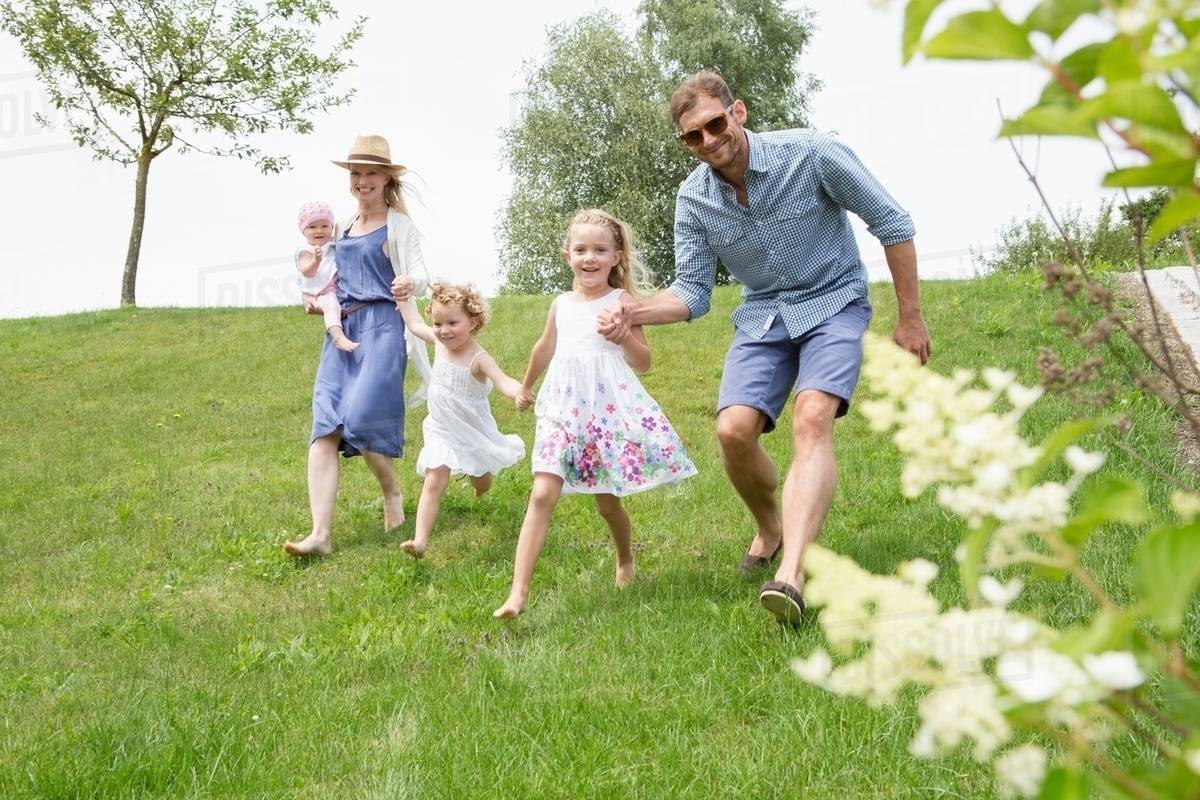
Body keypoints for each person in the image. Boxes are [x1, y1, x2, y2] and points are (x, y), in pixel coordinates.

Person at [598, 71, 932, 625]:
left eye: (714, 124)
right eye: (693, 137)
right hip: (763, 315)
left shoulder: (813, 153)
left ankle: (792, 576)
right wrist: (632, 309)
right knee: (732, 432)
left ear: (739, 113)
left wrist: (911, 318)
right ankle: (771, 527)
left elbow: (892, 223)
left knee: (811, 418)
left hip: (834, 299)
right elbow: (692, 293)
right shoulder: (694, 199)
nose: (708, 141)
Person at [494, 209, 697, 618]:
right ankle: (517, 594)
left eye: (600, 250)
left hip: (603, 414)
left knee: (607, 504)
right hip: (561, 409)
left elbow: (643, 362)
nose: (590, 258)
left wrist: (623, 335)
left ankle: (624, 558)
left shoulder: (621, 302)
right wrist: (527, 385)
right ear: (567, 254)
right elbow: (544, 348)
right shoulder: (560, 304)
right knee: (542, 492)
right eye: (581, 249)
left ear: (616, 256)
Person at [283, 134, 432, 557]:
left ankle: (392, 493)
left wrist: (409, 282)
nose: (362, 180)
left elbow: (420, 273)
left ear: (386, 177)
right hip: (343, 329)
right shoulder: (343, 227)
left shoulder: (400, 225)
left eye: (370, 172)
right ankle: (320, 535)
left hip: (384, 327)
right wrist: (313, 299)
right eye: (355, 173)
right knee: (325, 427)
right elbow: (325, 277)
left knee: (363, 420)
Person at [395, 282, 525, 558]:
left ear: (473, 322)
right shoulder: (440, 343)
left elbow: (502, 380)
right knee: (435, 476)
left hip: (473, 430)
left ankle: (479, 488)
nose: (443, 330)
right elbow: (416, 325)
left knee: (482, 479)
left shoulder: (478, 358)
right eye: (439, 323)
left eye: (452, 322)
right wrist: (403, 300)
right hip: (441, 427)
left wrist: (518, 393)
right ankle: (420, 540)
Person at [294, 201, 358, 353]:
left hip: (334, 287)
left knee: (337, 303)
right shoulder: (305, 250)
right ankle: (338, 336)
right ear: (303, 230)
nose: (319, 231)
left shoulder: (331, 244)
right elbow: (306, 272)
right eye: (312, 227)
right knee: (331, 306)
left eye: (324, 226)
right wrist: (316, 260)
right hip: (320, 291)